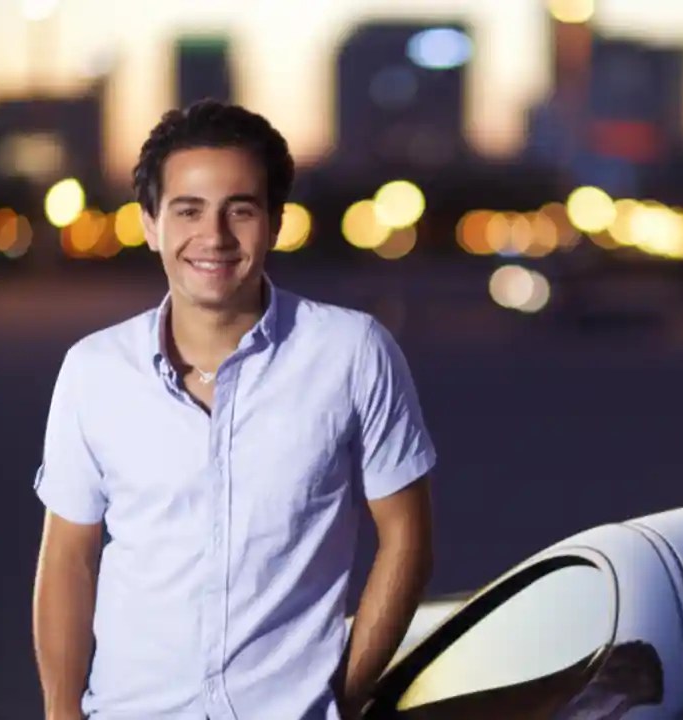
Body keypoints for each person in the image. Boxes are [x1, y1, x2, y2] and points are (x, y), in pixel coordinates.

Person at [30, 100, 437, 720]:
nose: (213, 237)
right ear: (150, 224)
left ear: (274, 222)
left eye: (239, 210)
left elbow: (407, 537)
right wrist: (61, 714)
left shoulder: (353, 352)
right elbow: (68, 556)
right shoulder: (94, 371)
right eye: (188, 210)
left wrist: (344, 697)